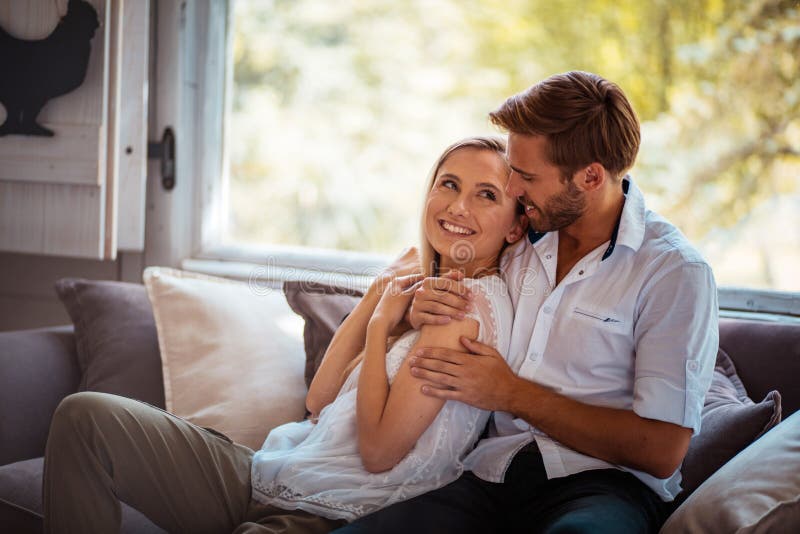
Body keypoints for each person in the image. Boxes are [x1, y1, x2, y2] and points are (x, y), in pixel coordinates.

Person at [42, 136, 528, 534]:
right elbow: (319, 400)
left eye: (487, 195)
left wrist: (381, 327)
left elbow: (380, 453)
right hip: (275, 471)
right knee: (86, 418)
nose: (458, 206)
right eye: (448, 183)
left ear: (514, 226)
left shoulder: (461, 306)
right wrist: (379, 296)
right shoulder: (426, 290)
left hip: (326, 511)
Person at [333, 71, 719, 534]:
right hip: (488, 474)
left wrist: (511, 394)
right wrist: (417, 307)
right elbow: (440, 258)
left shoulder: (673, 273)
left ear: (591, 177)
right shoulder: (522, 236)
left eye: (527, 176)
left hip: (601, 487)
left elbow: (661, 450)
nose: (513, 188)